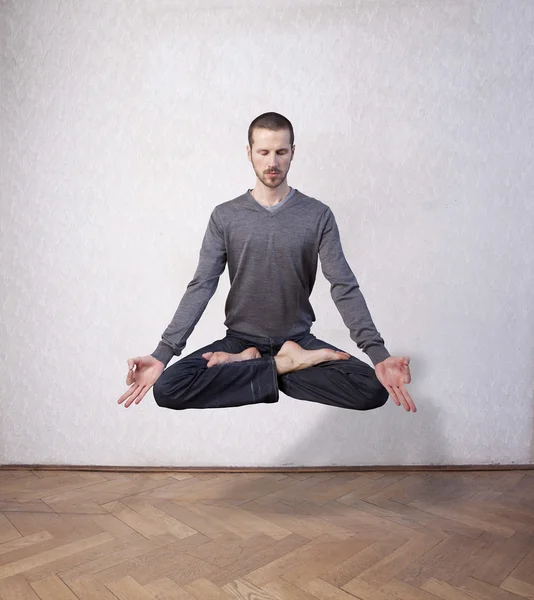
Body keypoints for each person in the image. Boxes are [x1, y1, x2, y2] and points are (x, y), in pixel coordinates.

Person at [117, 112, 415, 413]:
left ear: (292, 153)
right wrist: (162, 354)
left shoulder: (317, 215)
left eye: (281, 152)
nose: (272, 162)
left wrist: (378, 355)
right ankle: (282, 364)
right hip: (239, 341)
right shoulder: (225, 216)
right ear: (249, 153)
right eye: (263, 152)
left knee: (373, 389)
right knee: (168, 388)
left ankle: (264, 365)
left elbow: (343, 286)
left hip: (298, 338)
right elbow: (202, 286)